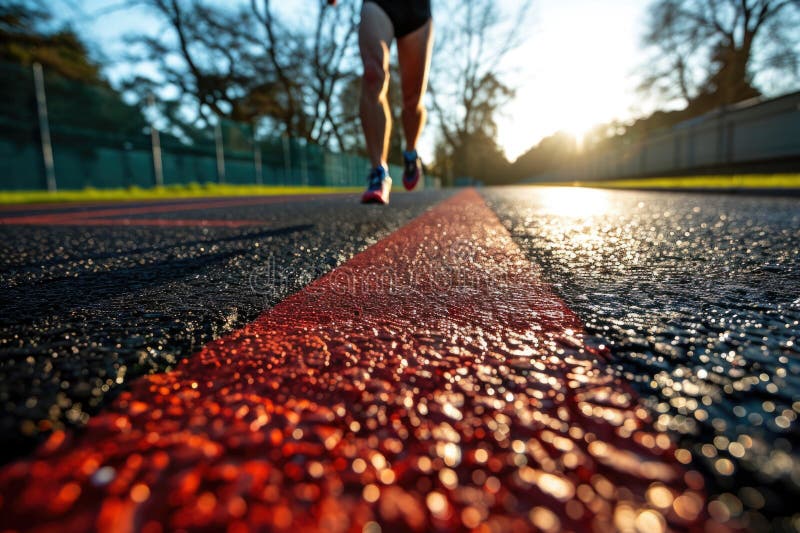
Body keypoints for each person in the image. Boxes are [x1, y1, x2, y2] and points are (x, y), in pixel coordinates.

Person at [330, 0, 434, 204]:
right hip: (378, 4)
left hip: (416, 11)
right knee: (372, 73)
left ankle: (411, 152)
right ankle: (378, 171)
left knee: (412, 100)